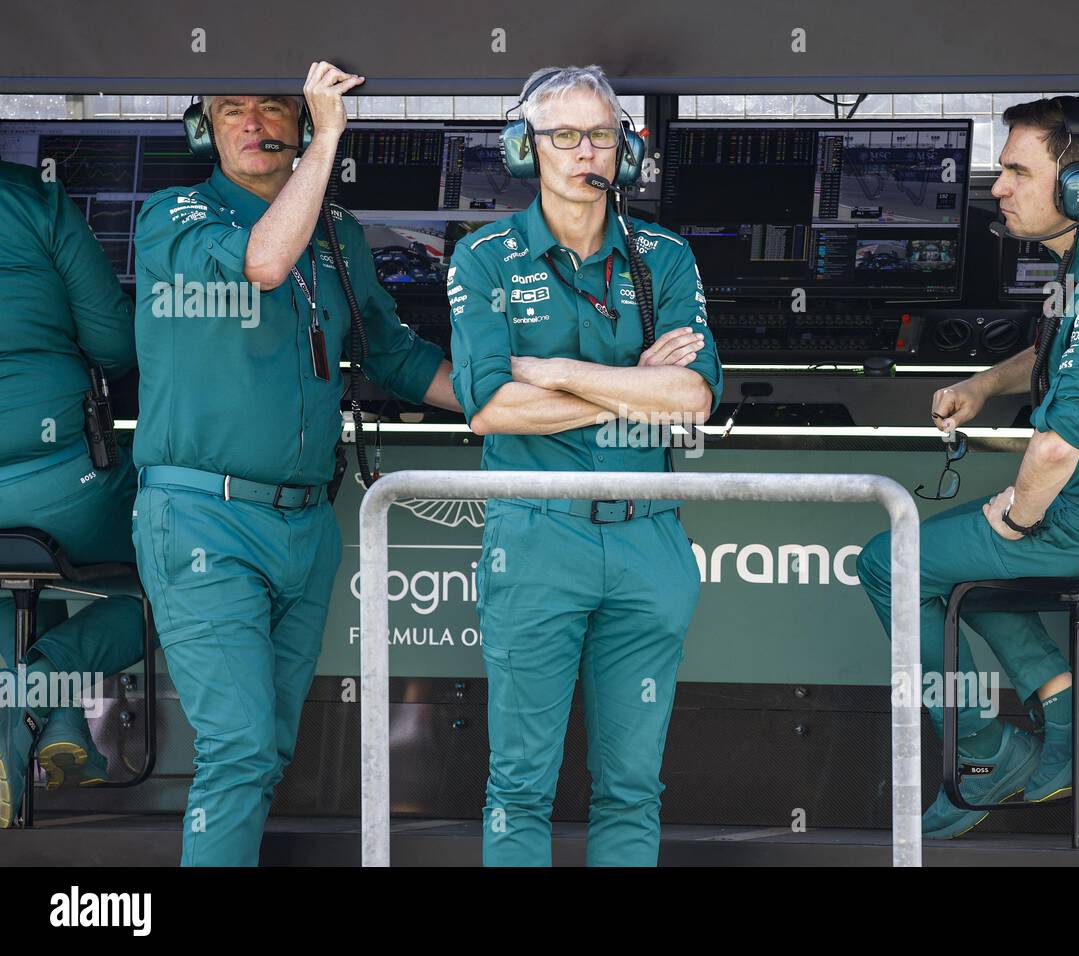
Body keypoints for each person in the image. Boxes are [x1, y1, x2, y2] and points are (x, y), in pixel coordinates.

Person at [857, 96, 1079, 839]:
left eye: (1017, 171)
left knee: (888, 564)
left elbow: (1056, 448)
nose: (997, 187)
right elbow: (1074, 353)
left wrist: (1017, 518)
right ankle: (1076, 719)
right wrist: (985, 384)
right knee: (967, 571)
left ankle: (986, 752)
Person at [131, 62, 460, 865]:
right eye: (230, 109)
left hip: (307, 525)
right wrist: (327, 139)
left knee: (267, 752)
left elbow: (396, 355)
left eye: (271, 107)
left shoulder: (339, 232)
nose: (251, 123)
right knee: (239, 752)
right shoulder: (174, 212)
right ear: (201, 127)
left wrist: (533, 396)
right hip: (203, 516)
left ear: (294, 120)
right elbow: (262, 262)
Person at [451, 65, 723, 866]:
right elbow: (491, 407)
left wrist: (555, 370)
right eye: (561, 136)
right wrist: (636, 385)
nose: (582, 152)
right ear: (524, 149)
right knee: (520, 785)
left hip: (651, 537)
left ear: (625, 148)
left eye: (599, 134)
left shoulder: (665, 255)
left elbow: (693, 399)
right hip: (536, 534)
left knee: (634, 788)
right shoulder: (485, 256)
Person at [0, 160, 145, 826]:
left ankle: (43, 730)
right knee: (188, 571)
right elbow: (114, 341)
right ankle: (42, 698)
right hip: (64, 481)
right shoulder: (34, 200)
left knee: (13, 578)